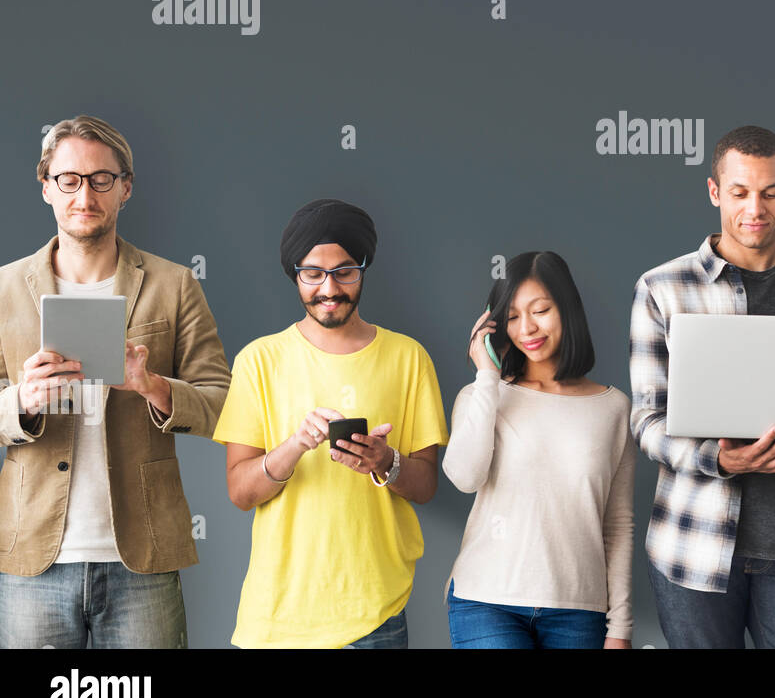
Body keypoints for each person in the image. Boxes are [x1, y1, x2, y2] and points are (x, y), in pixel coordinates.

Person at [629, 124, 775, 649]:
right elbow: (647, 422)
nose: (754, 209)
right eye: (739, 193)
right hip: (693, 546)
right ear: (715, 192)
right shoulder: (662, 289)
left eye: (769, 192)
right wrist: (718, 461)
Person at [0, 115, 230, 649]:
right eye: (69, 180)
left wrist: (152, 385)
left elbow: (222, 402)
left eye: (102, 179)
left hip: (142, 554)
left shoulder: (173, 284)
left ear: (125, 188)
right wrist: (22, 402)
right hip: (32, 552)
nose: (86, 194)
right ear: (46, 187)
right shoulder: (5, 289)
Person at [214, 199, 448, 648]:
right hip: (277, 619)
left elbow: (425, 487)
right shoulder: (258, 361)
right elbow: (241, 493)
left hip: (375, 614)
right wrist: (295, 445)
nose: (329, 287)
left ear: (363, 268)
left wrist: (387, 461)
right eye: (313, 273)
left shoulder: (408, 358)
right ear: (295, 273)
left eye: (345, 271)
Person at [442, 251, 634, 649]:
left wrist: (620, 627)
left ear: (568, 310)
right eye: (512, 316)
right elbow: (464, 477)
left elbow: (618, 525)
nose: (527, 327)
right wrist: (487, 375)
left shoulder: (613, 407)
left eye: (541, 310)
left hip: (579, 608)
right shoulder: (482, 394)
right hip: (486, 600)